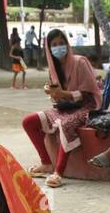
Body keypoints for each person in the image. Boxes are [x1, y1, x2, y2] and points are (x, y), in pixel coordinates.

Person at [21, 29, 101, 188]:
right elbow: (57, 97)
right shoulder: (54, 67)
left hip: (87, 106)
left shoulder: (80, 62)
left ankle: (58, 172)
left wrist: (62, 93)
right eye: (54, 45)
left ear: (67, 44)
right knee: (29, 121)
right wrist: (51, 92)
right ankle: (46, 163)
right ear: (49, 49)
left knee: (66, 124)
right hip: (65, 107)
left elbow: (87, 93)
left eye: (61, 43)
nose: (59, 47)